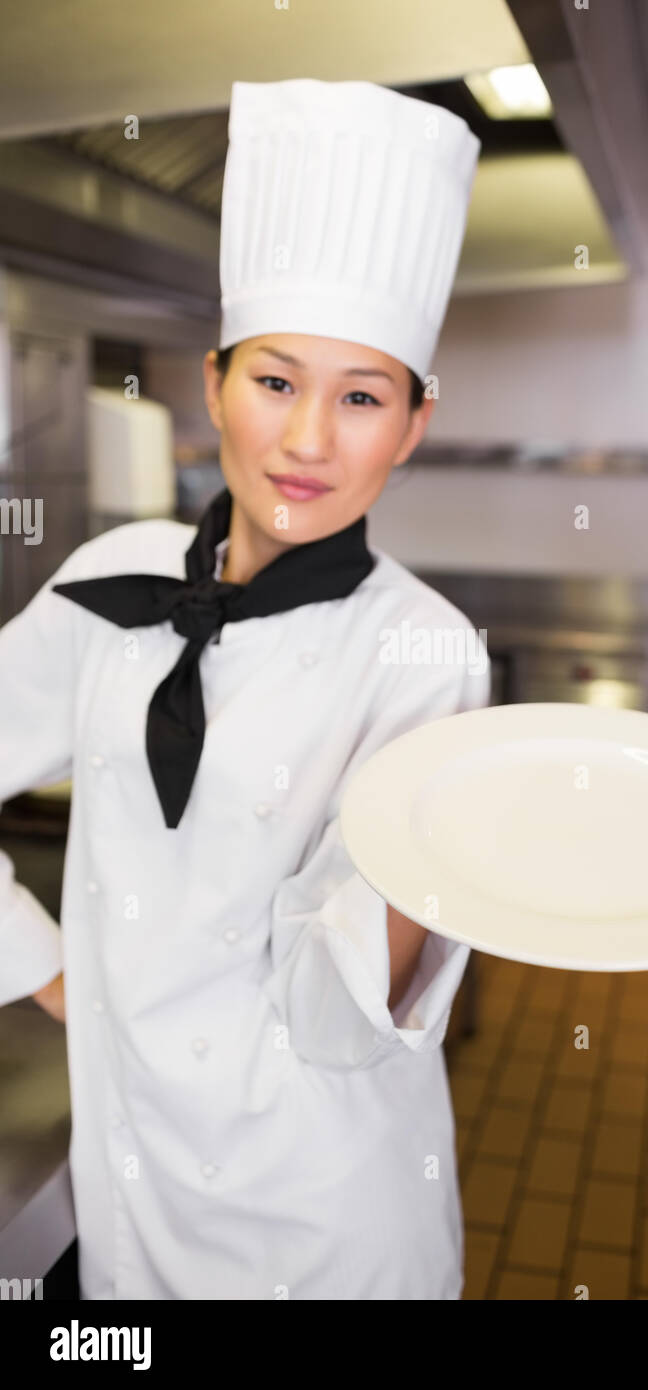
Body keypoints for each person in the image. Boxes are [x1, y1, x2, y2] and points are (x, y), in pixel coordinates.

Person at [0, 78, 488, 1299]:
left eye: (362, 397)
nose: (309, 439)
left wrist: (463, 872)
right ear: (213, 379)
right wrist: (47, 966)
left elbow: (338, 1013)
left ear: (413, 423)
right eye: (275, 381)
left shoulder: (426, 653)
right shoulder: (111, 581)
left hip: (320, 1216)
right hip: (125, 1184)